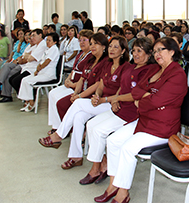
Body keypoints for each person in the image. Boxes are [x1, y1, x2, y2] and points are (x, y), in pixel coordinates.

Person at [98, 38, 187, 203]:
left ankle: (123, 193)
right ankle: (113, 184)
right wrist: (147, 97)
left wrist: (143, 99)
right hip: (145, 119)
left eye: (161, 50)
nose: (157, 54)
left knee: (127, 148)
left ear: (172, 52)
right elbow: (137, 90)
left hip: (162, 127)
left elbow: (156, 101)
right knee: (113, 140)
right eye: (155, 50)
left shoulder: (177, 75)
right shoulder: (156, 70)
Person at [38, 36, 128, 170]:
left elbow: (121, 92)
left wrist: (101, 99)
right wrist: (97, 96)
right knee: (78, 117)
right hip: (100, 101)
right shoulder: (108, 64)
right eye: (111, 46)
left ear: (123, 51)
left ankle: (58, 135)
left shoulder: (126, 68)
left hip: (111, 104)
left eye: (116, 47)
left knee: (78, 103)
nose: (112, 49)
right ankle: (76, 157)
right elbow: (101, 85)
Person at [80, 38, 156, 185]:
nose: (136, 54)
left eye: (139, 51)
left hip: (131, 112)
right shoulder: (132, 67)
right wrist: (115, 99)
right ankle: (101, 163)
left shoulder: (148, 70)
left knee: (99, 130)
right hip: (119, 106)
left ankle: (96, 169)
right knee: (91, 125)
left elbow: (136, 94)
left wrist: (116, 98)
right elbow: (123, 86)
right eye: (134, 50)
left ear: (148, 54)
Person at [50, 33, 109, 135]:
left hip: (92, 95)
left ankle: (64, 133)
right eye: (91, 44)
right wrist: (75, 93)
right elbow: (82, 78)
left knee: (67, 105)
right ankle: (69, 131)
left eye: (96, 43)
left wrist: (80, 96)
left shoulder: (105, 62)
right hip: (82, 91)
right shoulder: (91, 60)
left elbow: (97, 85)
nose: (92, 46)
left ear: (104, 46)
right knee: (61, 103)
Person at [47, 30, 94, 131]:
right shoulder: (80, 54)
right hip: (71, 83)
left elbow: (86, 77)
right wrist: (67, 80)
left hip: (77, 86)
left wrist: (73, 85)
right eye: (80, 40)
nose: (81, 42)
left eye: (84, 40)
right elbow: (73, 69)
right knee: (52, 93)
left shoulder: (91, 56)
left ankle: (63, 127)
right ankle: (56, 124)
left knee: (59, 99)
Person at [18, 33, 61, 112]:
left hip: (48, 75)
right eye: (47, 40)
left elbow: (47, 62)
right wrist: (37, 70)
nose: (47, 42)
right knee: (24, 80)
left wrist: (38, 70)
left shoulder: (54, 49)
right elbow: (41, 61)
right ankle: (27, 101)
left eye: (49, 40)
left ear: (55, 42)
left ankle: (32, 102)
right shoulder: (48, 49)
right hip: (42, 73)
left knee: (28, 81)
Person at [2, 29, 47, 103]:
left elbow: (30, 58)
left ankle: (30, 99)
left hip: (34, 69)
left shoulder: (42, 45)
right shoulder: (36, 45)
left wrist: (28, 56)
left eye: (33, 35)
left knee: (15, 80)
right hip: (27, 67)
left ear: (40, 35)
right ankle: (26, 98)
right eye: (31, 36)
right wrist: (28, 56)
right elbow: (25, 56)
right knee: (11, 79)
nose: (31, 38)